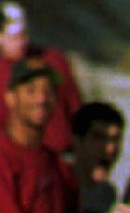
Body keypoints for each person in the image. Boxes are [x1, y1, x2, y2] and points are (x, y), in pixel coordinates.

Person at [0, 58, 79, 213]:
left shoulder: (59, 167)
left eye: (49, 91)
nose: (41, 98)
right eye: (31, 90)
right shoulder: (4, 158)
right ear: (10, 97)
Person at [0, 1, 81, 154]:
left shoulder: (54, 60)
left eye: (23, 35)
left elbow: (74, 104)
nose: (21, 43)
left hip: (62, 154)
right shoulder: (2, 73)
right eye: (13, 38)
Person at [70, 100, 125, 213]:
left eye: (115, 139)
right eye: (99, 138)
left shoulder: (107, 194)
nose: (110, 148)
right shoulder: (56, 186)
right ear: (77, 141)